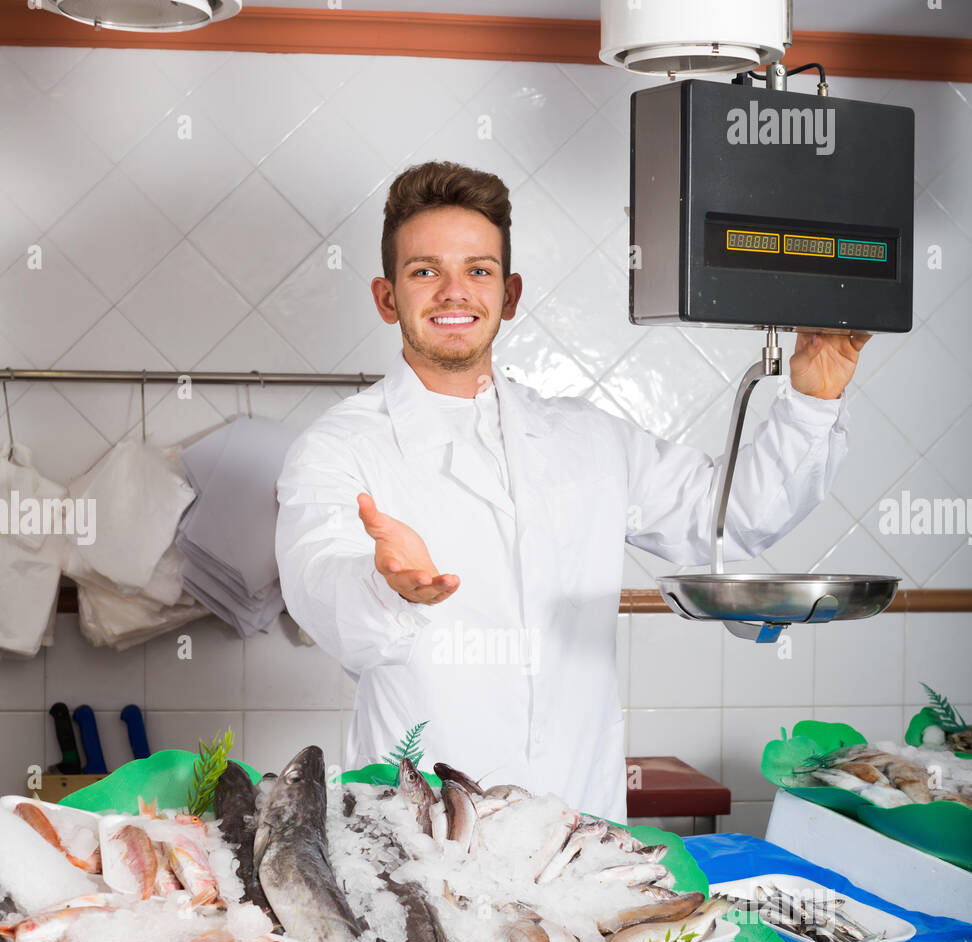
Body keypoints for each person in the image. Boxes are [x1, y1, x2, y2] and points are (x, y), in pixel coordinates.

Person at [275, 161, 869, 823]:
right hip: (417, 835)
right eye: (424, 272)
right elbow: (315, 585)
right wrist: (383, 584)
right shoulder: (339, 446)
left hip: (578, 823)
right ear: (387, 297)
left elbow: (732, 518)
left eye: (478, 270)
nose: (453, 293)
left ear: (511, 292)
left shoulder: (587, 438)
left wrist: (813, 400)